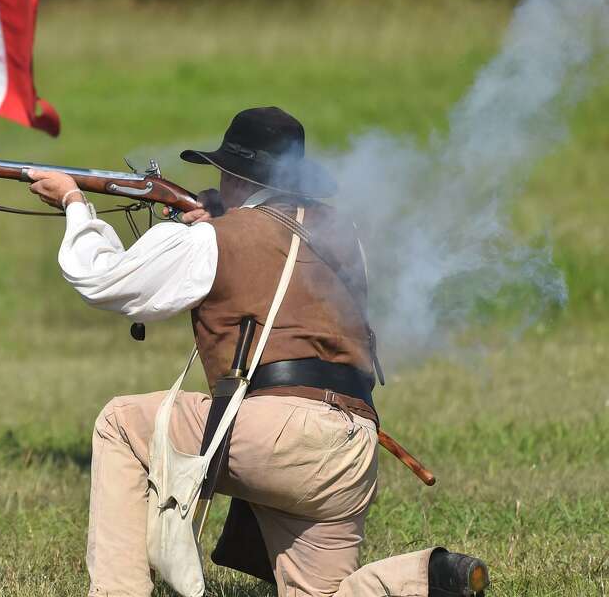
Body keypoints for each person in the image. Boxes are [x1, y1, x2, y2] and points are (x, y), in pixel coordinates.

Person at [27, 107, 489, 597]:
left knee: (121, 423)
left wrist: (75, 202)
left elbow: (104, 282)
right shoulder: (344, 236)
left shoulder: (216, 238)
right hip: (353, 447)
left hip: (278, 437)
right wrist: (216, 222)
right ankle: (431, 579)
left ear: (233, 175)